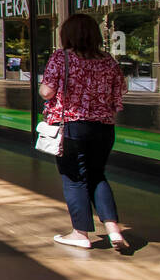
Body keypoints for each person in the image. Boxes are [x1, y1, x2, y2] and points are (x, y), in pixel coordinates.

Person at [39, 14, 129, 252]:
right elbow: (122, 88)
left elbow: (47, 91)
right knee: (97, 174)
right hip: (103, 128)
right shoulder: (108, 60)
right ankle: (113, 230)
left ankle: (80, 233)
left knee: (74, 178)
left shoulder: (62, 57)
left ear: (67, 35)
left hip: (72, 125)